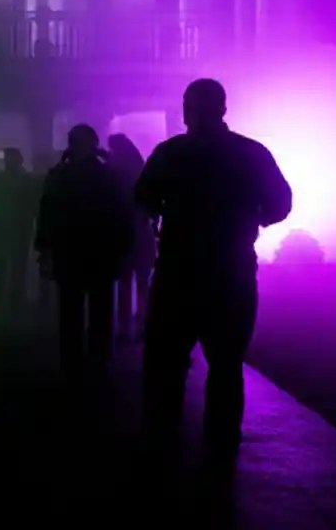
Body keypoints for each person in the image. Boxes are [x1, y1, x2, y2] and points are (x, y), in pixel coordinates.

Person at [137, 79, 292, 456]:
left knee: (167, 365)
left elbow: (142, 196)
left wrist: (162, 214)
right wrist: (255, 219)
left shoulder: (171, 153)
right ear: (223, 109)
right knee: (226, 366)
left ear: (187, 110)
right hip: (231, 271)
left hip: (178, 271)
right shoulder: (250, 153)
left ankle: (163, 443)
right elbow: (280, 204)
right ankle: (221, 446)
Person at [35, 125, 133, 382]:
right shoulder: (107, 175)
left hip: (70, 250)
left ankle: (72, 361)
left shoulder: (59, 175)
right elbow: (121, 215)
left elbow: (47, 215)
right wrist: (123, 250)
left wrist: (44, 249)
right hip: (100, 250)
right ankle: (98, 360)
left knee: (71, 310)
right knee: (99, 310)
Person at [107, 134, 155, 341]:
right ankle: (143, 322)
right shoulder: (141, 170)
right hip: (142, 233)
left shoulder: (114, 173)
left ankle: (125, 326)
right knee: (143, 282)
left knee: (124, 283)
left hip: (122, 234)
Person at [0, 148, 38, 315]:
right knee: (16, 264)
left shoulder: (0, 180)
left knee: (2, 262)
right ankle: (13, 298)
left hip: (4, 226)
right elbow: (32, 203)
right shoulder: (24, 180)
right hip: (18, 225)